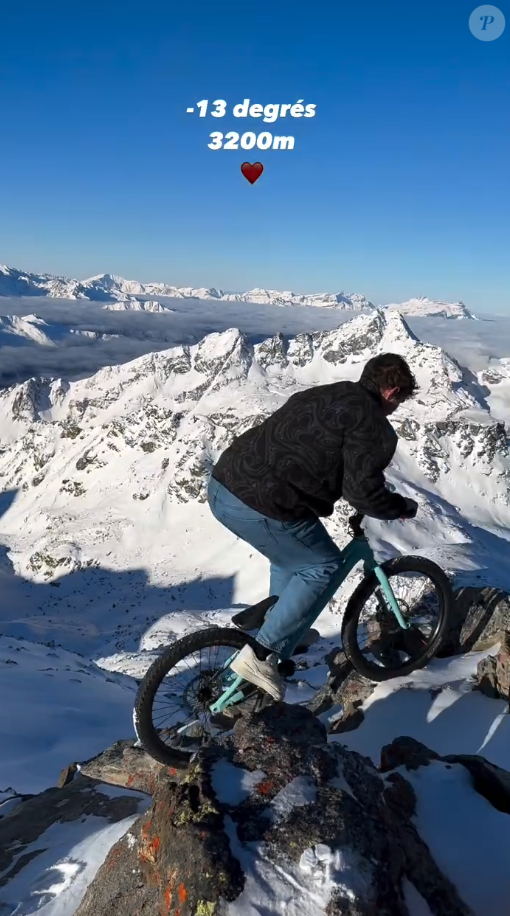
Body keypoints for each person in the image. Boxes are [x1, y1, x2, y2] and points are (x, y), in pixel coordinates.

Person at [207, 352, 419, 701]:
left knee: (291, 554)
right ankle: (260, 655)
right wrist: (398, 507)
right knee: (322, 566)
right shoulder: (374, 425)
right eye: (399, 400)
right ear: (392, 392)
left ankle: (285, 629)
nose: (396, 408)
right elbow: (361, 491)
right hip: (265, 503)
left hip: (223, 483)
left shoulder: (324, 392)